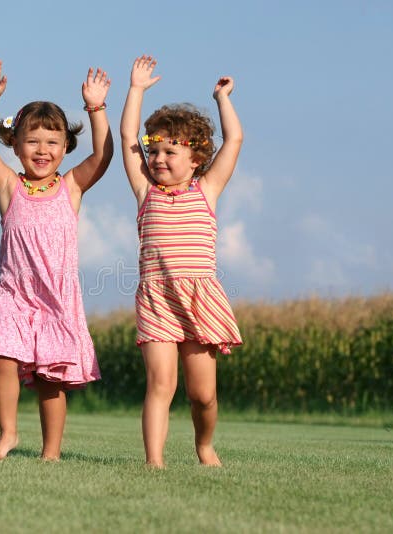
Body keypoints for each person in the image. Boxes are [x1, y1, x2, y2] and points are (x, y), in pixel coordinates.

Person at [0, 57, 112, 461]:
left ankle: (51, 452)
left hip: (56, 300)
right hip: (14, 294)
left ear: (66, 147)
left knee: (51, 379)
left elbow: (103, 156)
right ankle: (8, 434)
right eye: (32, 141)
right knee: (2, 357)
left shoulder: (71, 187)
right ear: (15, 145)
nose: (42, 150)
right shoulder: (8, 186)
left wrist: (96, 108)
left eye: (52, 142)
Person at [120, 55, 243, 468]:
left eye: (170, 151)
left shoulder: (207, 190)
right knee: (160, 384)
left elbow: (234, 141)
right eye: (154, 151)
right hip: (158, 301)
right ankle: (154, 462)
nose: (158, 159)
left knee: (202, 394)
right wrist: (136, 90)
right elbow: (128, 136)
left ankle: (204, 445)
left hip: (199, 299)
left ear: (196, 158)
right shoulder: (146, 192)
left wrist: (222, 99)